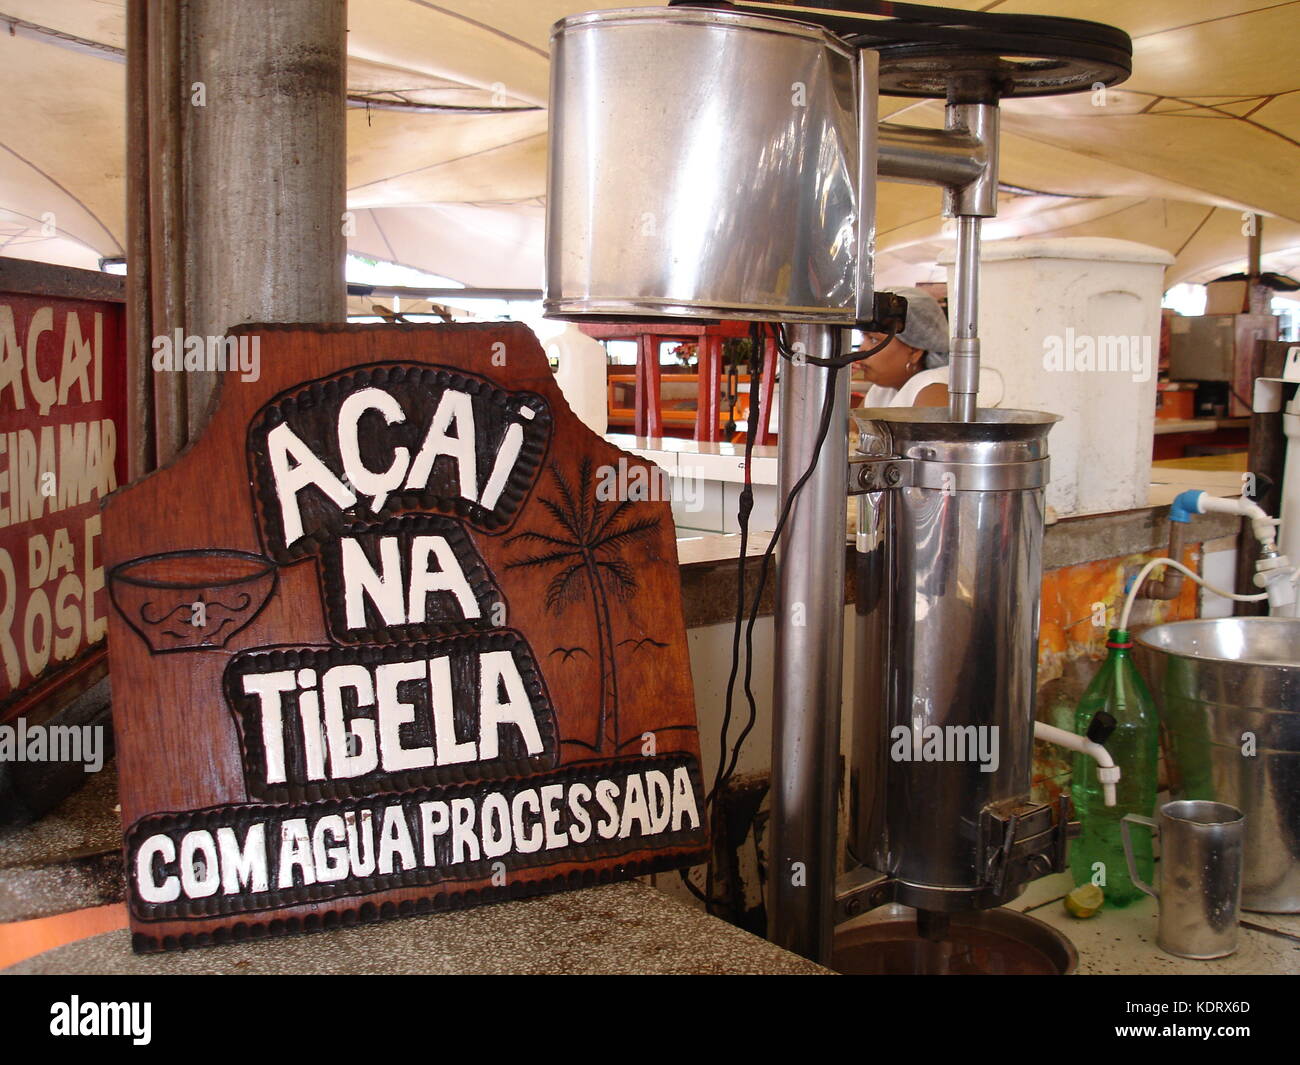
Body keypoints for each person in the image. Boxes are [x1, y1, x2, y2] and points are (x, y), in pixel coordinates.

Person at [851, 286, 1002, 409]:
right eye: (864, 338)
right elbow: (850, 435)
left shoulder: (933, 388)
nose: (861, 350)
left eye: (874, 340)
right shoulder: (882, 391)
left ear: (915, 351)